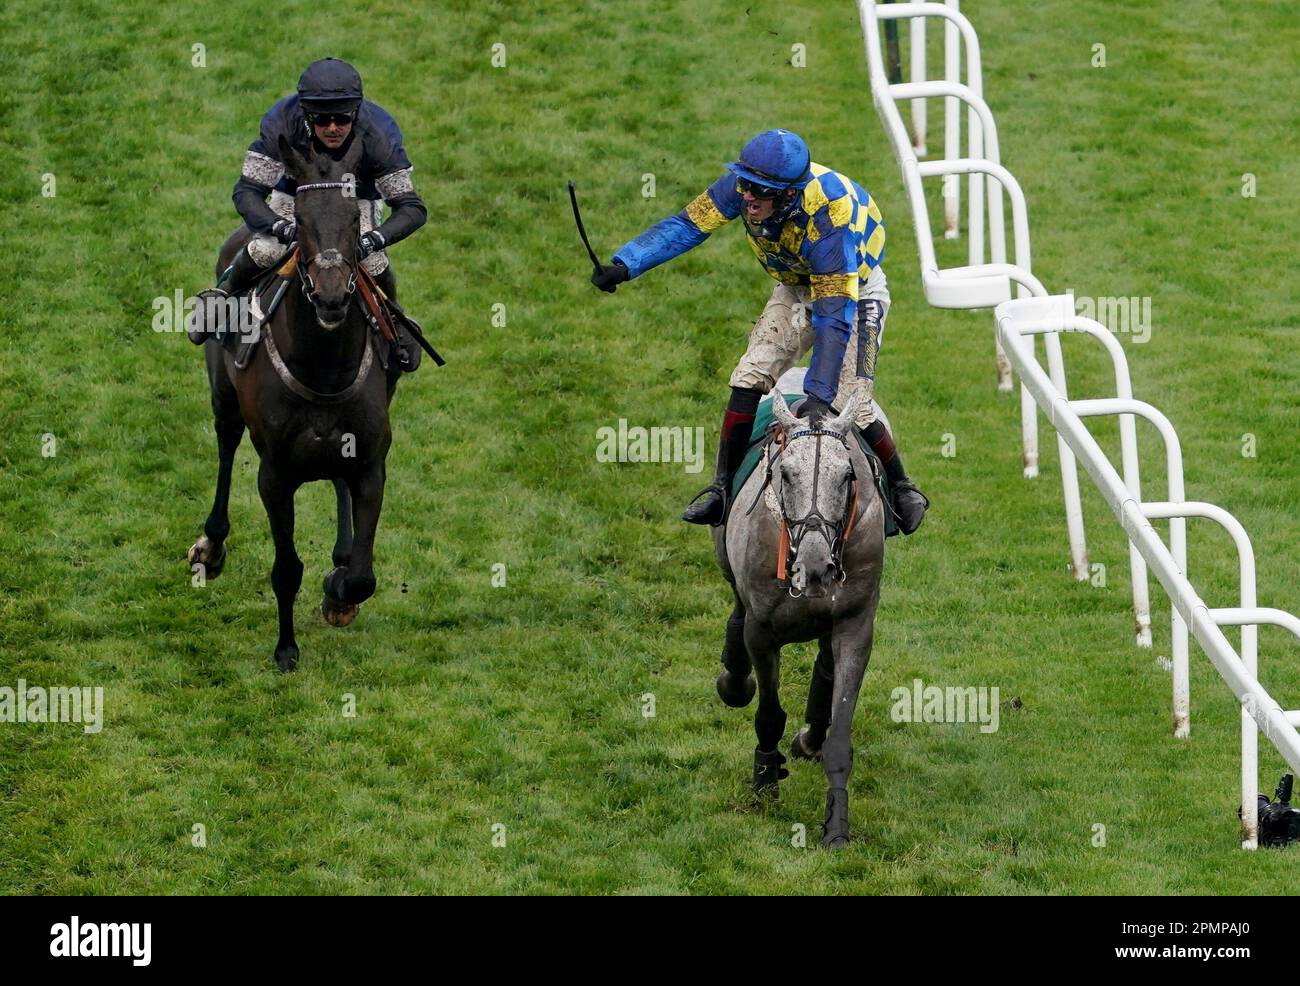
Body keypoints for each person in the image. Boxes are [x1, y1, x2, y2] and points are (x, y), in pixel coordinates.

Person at [591, 129, 928, 532]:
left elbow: (833, 317)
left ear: (787, 196)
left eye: (759, 192)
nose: (746, 197)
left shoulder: (828, 218)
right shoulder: (745, 184)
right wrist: (627, 264)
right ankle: (721, 492)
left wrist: (818, 398)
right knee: (748, 375)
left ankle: (903, 487)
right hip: (795, 283)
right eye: (746, 186)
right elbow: (688, 225)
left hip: (853, 290)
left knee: (849, 396)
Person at [189, 58, 426, 371]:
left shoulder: (380, 133)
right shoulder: (280, 122)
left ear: (356, 112)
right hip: (296, 195)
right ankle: (225, 293)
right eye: (321, 119)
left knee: (373, 260)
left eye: (341, 119)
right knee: (266, 248)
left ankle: (393, 322)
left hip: (354, 200)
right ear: (305, 114)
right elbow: (246, 192)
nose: (332, 128)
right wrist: (281, 229)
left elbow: (412, 207)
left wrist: (372, 241)